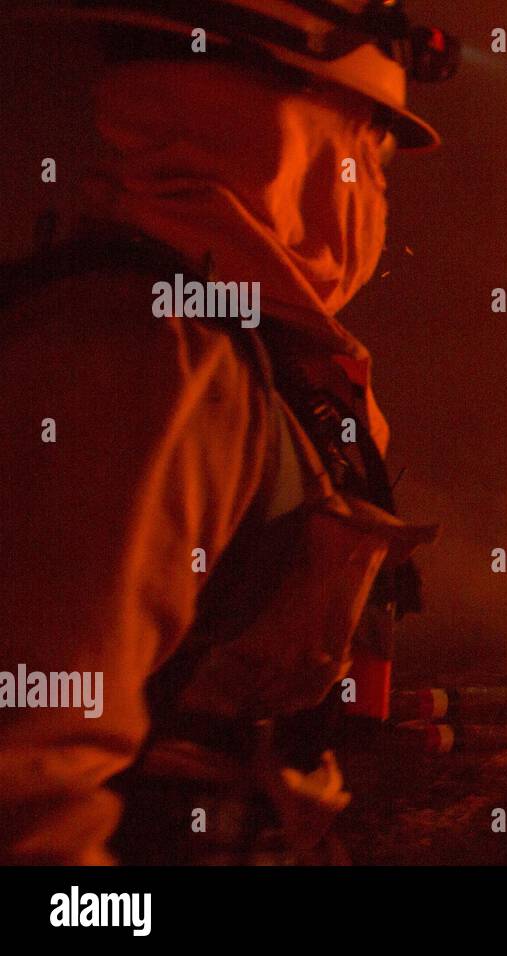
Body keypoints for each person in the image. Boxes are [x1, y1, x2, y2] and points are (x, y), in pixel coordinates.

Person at [0, 0, 456, 864]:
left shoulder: (226, 350)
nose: (377, 193)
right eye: (372, 150)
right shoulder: (147, 354)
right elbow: (30, 784)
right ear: (294, 136)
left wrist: (285, 748)